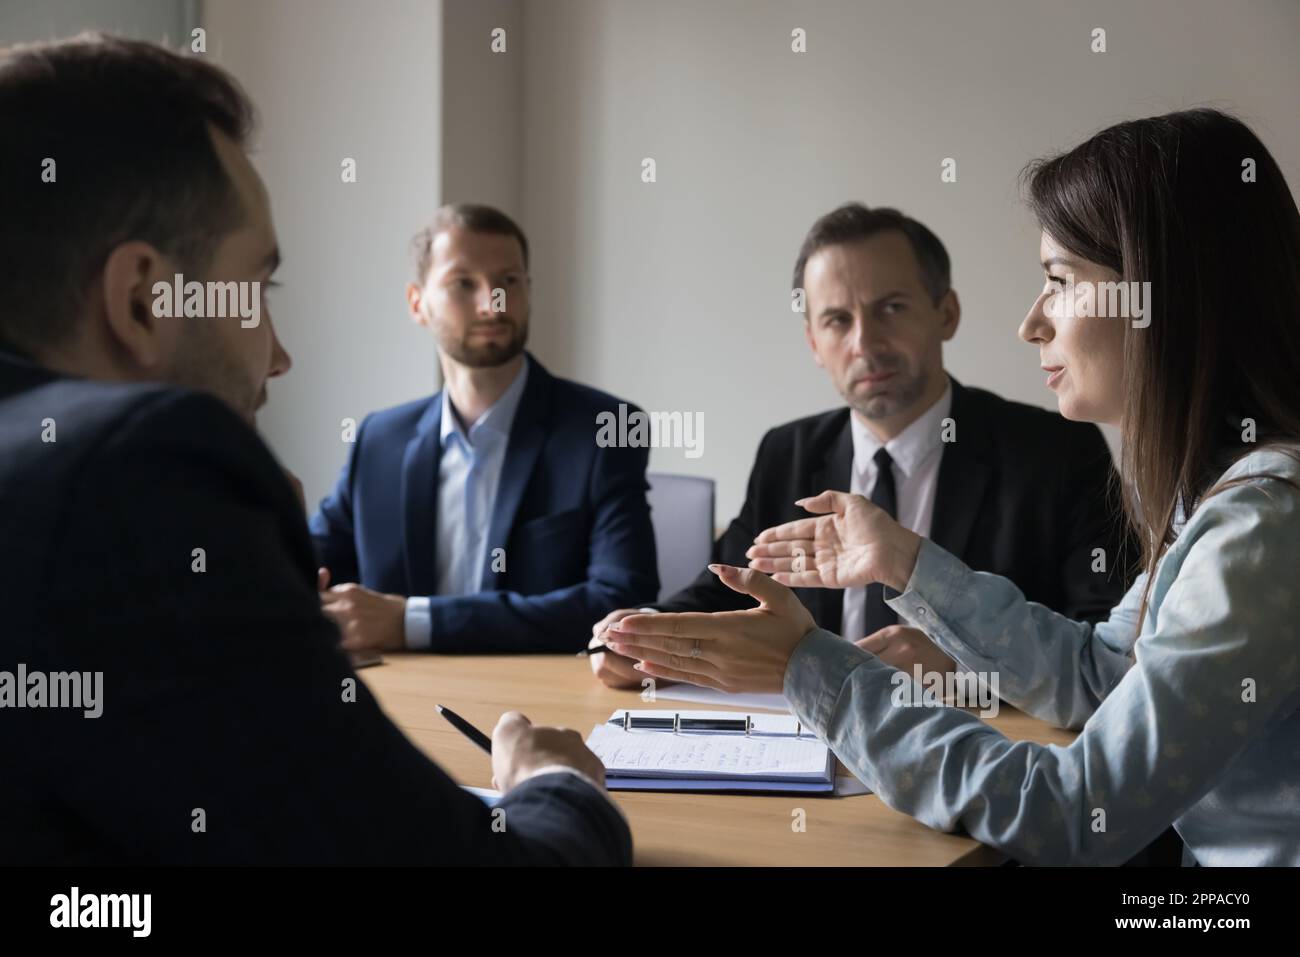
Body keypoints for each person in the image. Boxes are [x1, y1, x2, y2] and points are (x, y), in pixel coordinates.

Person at [601, 109, 1300, 866]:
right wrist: (906, 563)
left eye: (1059, 281)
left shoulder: (1260, 523)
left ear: (1166, 296)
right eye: (836, 320)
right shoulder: (1218, 496)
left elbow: (1074, 812)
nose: (1031, 323)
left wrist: (811, 668)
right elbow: (1098, 672)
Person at [0, 33, 629, 865]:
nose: (281, 356)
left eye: (509, 280)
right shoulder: (143, 470)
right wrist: (561, 784)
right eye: (259, 286)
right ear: (146, 300)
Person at [591, 203, 1132, 689]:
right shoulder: (788, 451)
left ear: (946, 314)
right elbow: (727, 591)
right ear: (814, 343)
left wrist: (967, 663)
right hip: (812, 743)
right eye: (836, 320)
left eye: (890, 308)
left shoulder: (1057, 450)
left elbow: (1108, 641)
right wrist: (639, 634)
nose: (865, 343)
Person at [310, 204, 659, 654]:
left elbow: (622, 602)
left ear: (529, 291)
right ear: (417, 303)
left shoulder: (606, 430)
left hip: (538, 691)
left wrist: (412, 622)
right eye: (463, 283)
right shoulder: (379, 440)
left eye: (508, 281)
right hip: (396, 689)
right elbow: (306, 568)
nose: (492, 302)